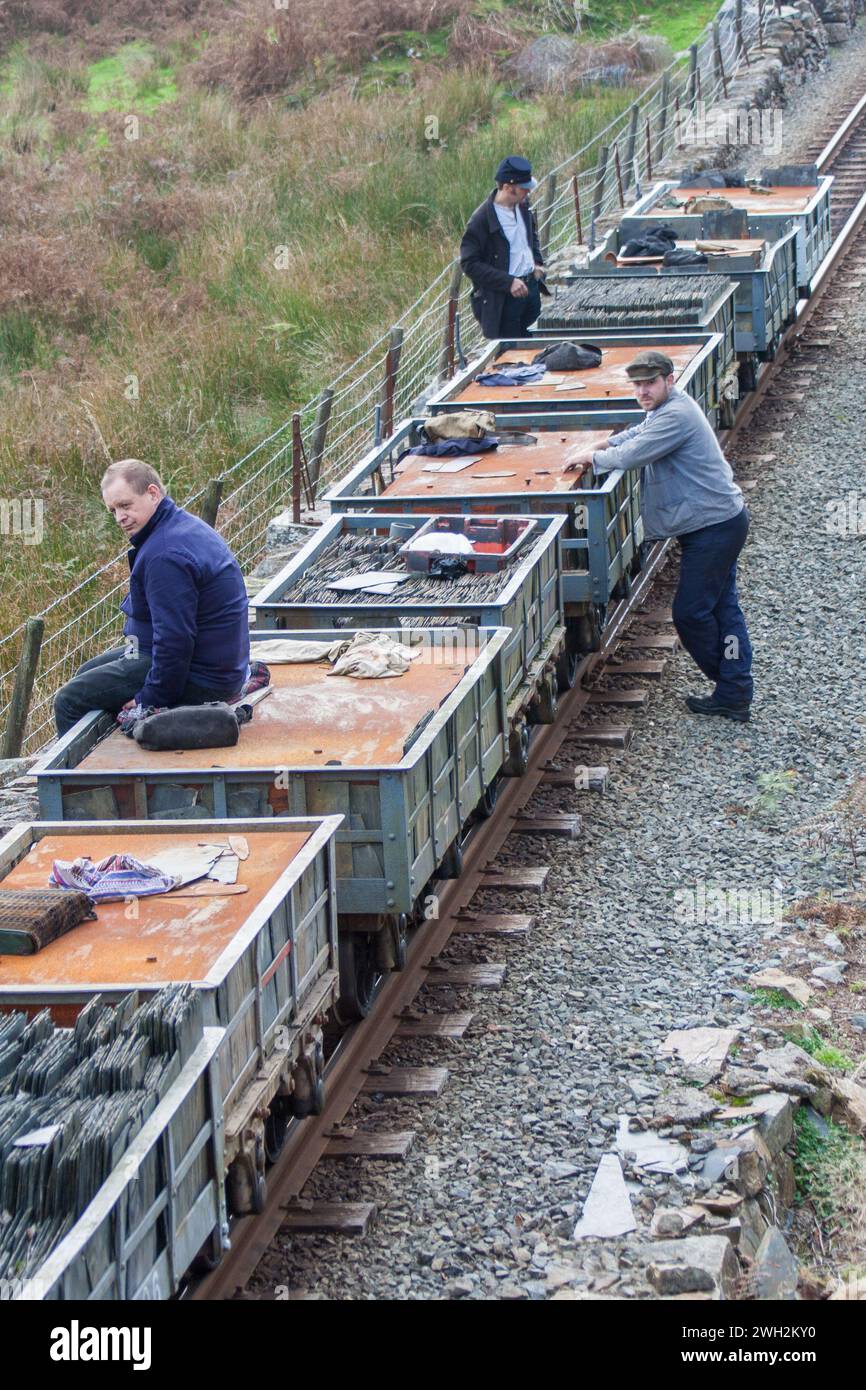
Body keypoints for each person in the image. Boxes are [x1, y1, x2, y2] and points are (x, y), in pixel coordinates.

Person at [565, 351, 753, 721]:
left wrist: (594, 458)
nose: (642, 391)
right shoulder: (667, 410)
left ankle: (732, 685)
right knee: (722, 607)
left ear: (669, 380)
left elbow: (637, 452)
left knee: (690, 613)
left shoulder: (677, 415)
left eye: (649, 383)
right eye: (637, 385)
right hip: (716, 522)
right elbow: (639, 433)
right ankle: (735, 688)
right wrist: (601, 445)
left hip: (714, 527)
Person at [54, 459, 251, 736]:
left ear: (153, 493)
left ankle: (85, 777)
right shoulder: (179, 526)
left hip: (202, 677)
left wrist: (149, 700)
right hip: (200, 660)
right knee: (87, 673)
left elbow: (175, 641)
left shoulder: (165, 554)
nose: (119, 517)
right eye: (113, 510)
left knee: (69, 700)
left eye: (125, 505)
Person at [460, 155, 551, 340]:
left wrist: (537, 263)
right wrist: (508, 282)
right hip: (503, 300)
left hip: (531, 290)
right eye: (524, 188)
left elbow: (531, 237)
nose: (528, 192)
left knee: (536, 348)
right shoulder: (480, 220)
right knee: (511, 360)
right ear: (508, 188)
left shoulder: (524, 206)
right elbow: (469, 264)